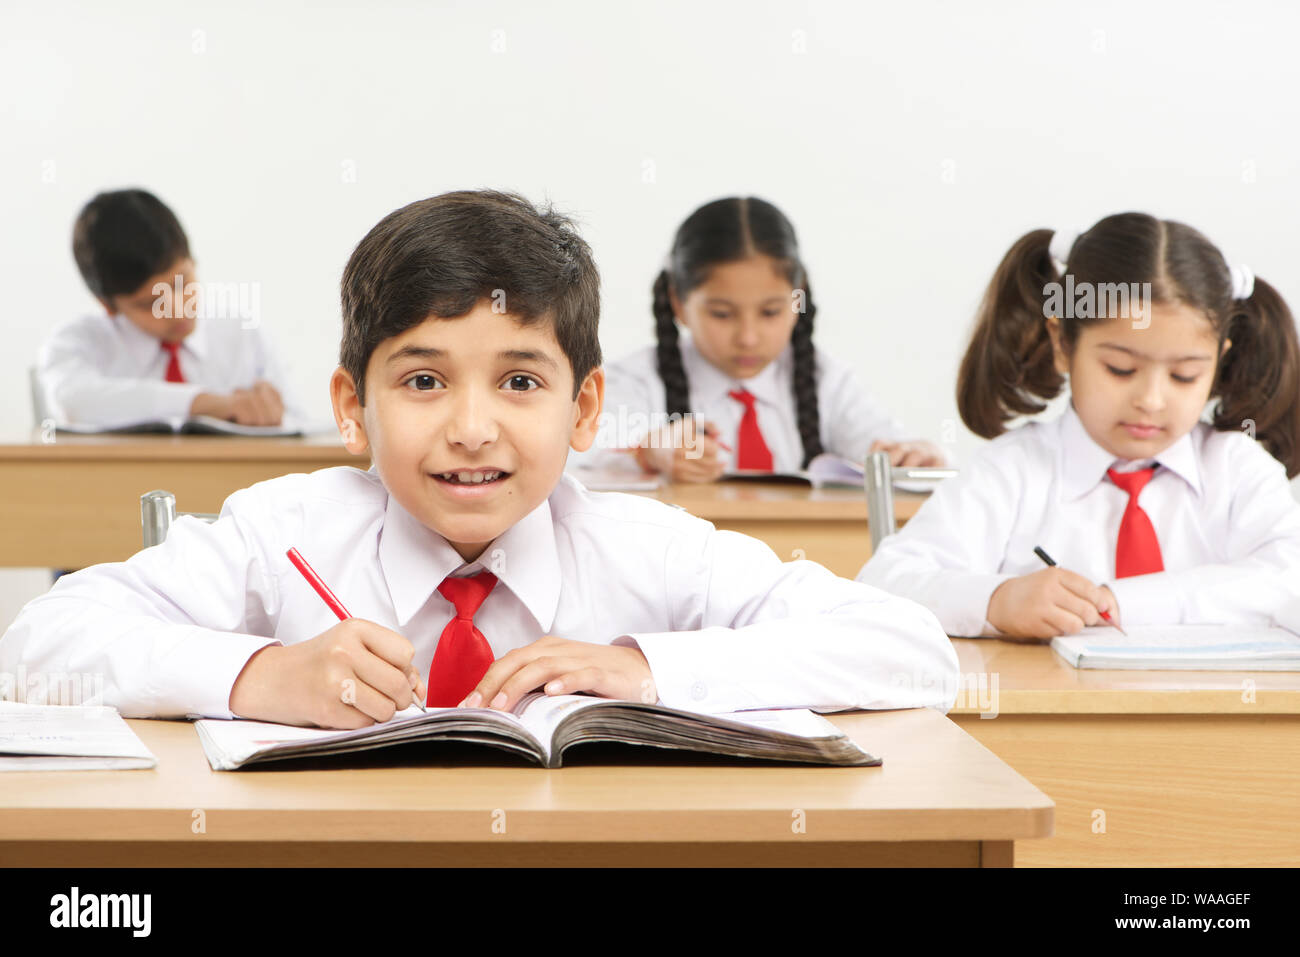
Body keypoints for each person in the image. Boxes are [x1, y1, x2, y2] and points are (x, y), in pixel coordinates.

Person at [1, 189, 958, 726]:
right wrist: (257, 676)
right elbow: (36, 647)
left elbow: (913, 652)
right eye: (422, 382)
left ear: (585, 408)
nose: (471, 428)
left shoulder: (648, 548)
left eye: (519, 382)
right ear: (352, 408)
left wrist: (651, 669)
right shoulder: (278, 532)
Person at [859, 212, 1300, 639]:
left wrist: (1122, 601)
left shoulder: (1238, 469)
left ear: (1218, 359)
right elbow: (884, 581)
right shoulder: (1012, 471)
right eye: (1120, 369)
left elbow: (1289, 579)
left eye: (1185, 375)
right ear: (1063, 344)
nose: (1150, 400)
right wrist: (995, 600)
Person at [577, 197, 944, 481]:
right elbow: (577, 450)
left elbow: (878, 448)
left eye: (770, 312)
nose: (748, 338)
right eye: (721, 314)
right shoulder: (638, 380)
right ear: (678, 303)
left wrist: (911, 457)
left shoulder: (827, 381)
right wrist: (649, 453)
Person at [39, 188, 294, 430]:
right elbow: (74, 400)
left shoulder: (245, 337)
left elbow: (301, 426)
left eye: (181, 283)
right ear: (108, 306)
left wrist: (271, 412)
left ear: (193, 261)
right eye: (150, 303)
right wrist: (209, 405)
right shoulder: (77, 343)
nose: (177, 310)